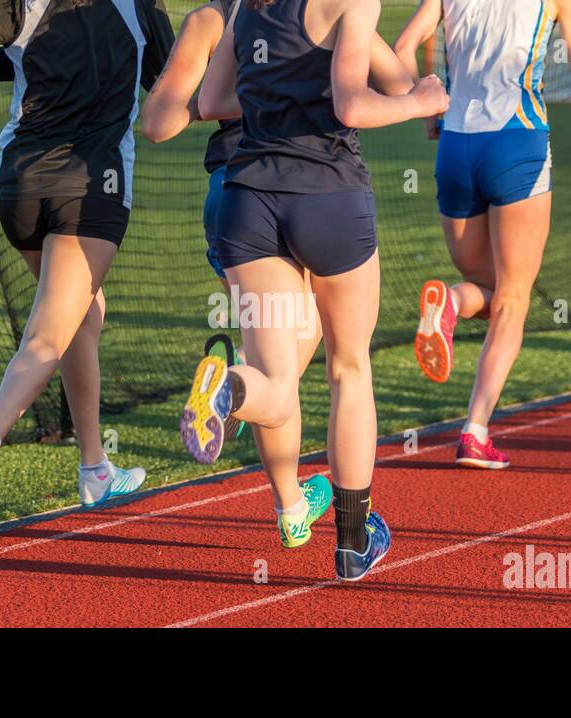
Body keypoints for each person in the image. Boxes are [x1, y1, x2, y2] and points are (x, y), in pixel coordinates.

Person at [187, 0, 448, 580]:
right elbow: (351, 103)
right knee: (348, 368)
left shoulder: (246, 7)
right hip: (328, 199)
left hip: (247, 202)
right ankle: (353, 542)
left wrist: (276, 102)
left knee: (276, 385)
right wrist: (420, 102)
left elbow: (209, 103)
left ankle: (226, 388)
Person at [141, 0, 421, 461]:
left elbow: (157, 122)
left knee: (274, 365)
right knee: (293, 374)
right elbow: (397, 85)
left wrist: (239, 94)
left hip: (234, 200)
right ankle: (234, 389)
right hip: (315, 187)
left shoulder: (210, 21)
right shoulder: (329, 11)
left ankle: (288, 500)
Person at [0, 0, 174, 532]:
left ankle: (95, 469)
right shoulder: (140, 5)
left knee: (82, 313)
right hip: (90, 190)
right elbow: (169, 84)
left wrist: (11, 63)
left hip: (19, 184)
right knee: (47, 336)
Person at [395, 0, 571, 468]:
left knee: (491, 293)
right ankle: (475, 430)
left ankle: (451, 302)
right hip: (516, 137)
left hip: (455, 145)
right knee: (512, 300)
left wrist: (423, 106)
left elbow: (404, 47)